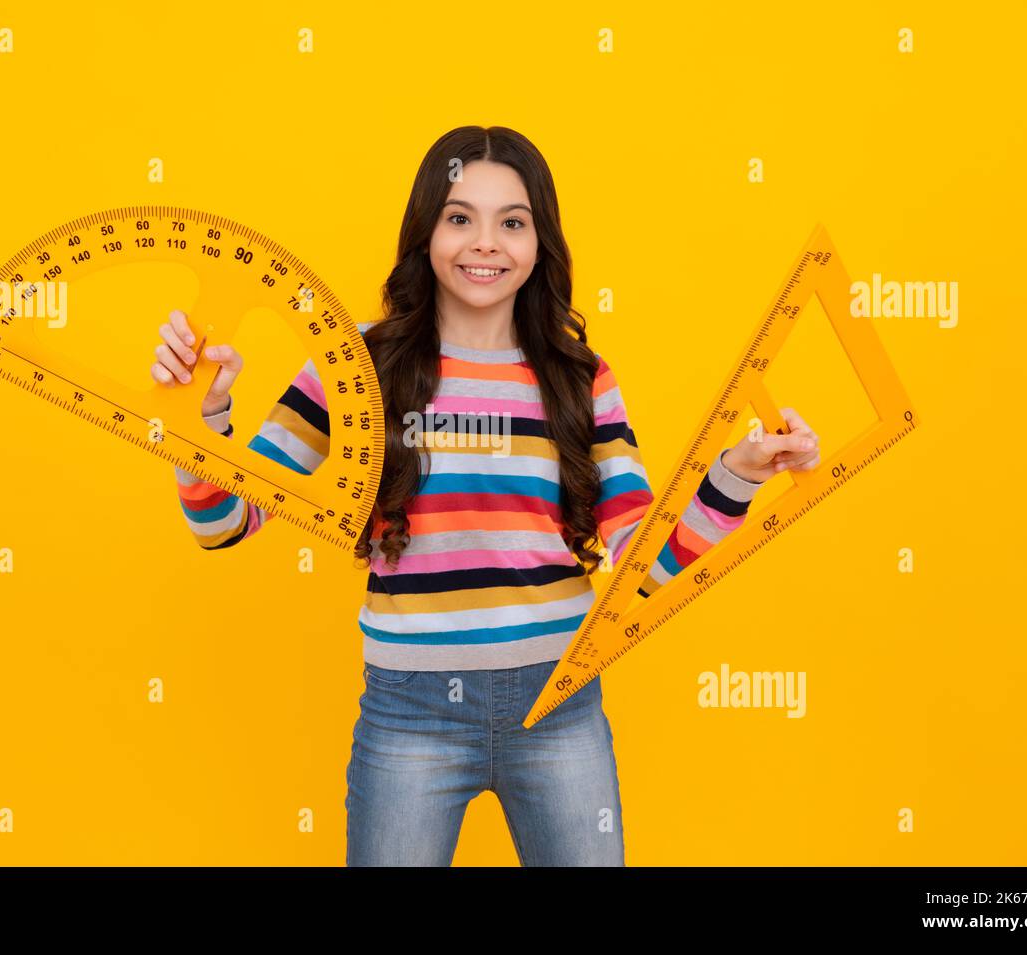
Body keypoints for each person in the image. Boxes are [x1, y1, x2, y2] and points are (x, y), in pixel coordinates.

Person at [153, 126, 821, 866]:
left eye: (513, 222)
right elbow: (223, 524)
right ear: (426, 230)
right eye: (459, 217)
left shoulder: (581, 377)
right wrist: (202, 419)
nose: (486, 244)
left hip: (558, 708)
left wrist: (742, 470)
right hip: (408, 713)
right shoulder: (358, 363)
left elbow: (645, 563)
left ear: (540, 242)